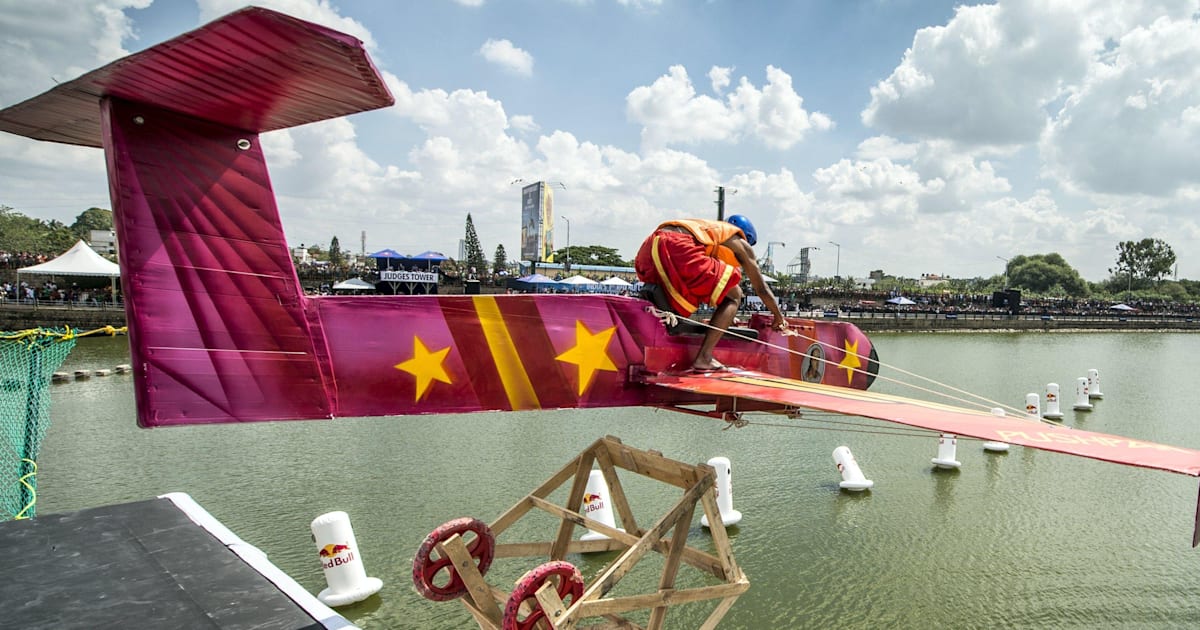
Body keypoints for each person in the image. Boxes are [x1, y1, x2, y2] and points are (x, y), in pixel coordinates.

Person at [635, 214, 787, 371]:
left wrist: (725, 318)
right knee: (734, 295)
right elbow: (761, 288)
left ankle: (652, 343)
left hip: (652, 244)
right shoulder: (737, 240)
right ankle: (704, 357)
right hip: (677, 244)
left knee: (677, 294)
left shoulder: (706, 231)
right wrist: (778, 316)